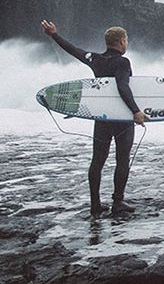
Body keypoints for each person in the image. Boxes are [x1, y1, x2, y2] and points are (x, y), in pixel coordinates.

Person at [41, 20, 146, 216]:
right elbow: (123, 86)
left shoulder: (96, 59)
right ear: (122, 41)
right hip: (121, 118)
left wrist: (54, 35)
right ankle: (117, 202)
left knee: (97, 160)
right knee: (122, 159)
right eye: (126, 40)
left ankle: (95, 205)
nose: (126, 43)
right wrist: (135, 111)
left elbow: (74, 50)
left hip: (102, 118)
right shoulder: (123, 62)